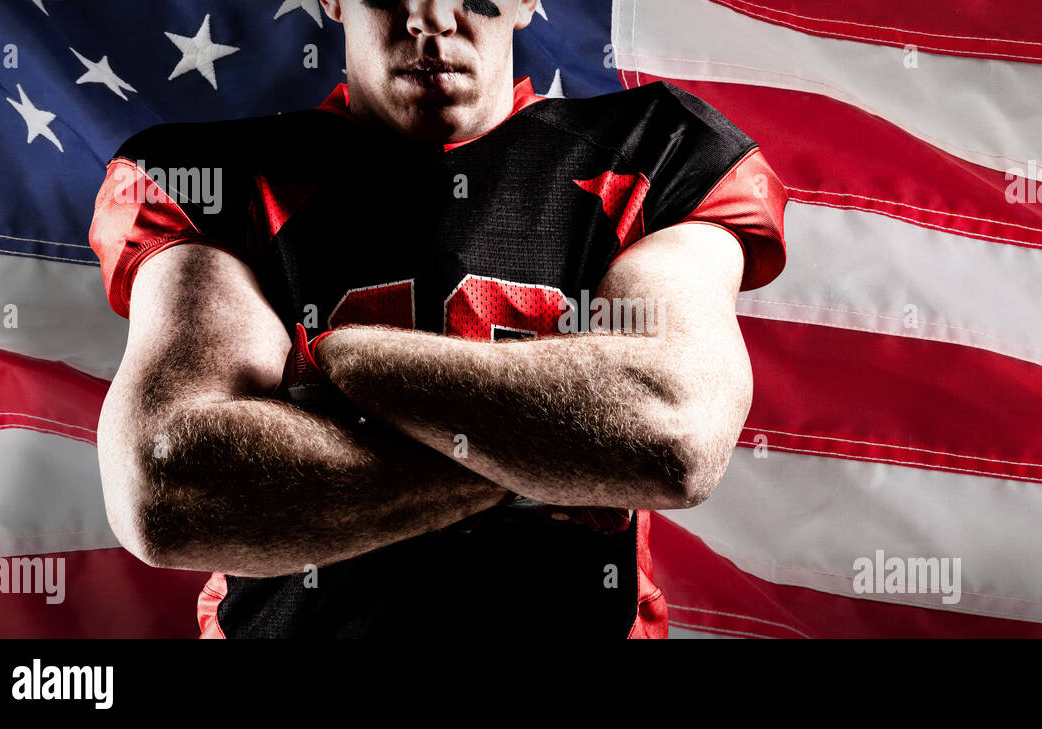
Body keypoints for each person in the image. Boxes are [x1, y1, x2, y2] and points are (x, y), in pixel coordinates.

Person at [88, 0, 786, 638]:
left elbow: (670, 431)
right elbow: (167, 481)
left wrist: (350, 358)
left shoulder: (658, 150)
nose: (430, 16)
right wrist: (563, 451)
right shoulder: (205, 176)